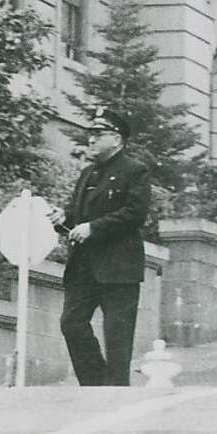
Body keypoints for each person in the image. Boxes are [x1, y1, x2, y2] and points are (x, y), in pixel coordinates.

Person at [60, 111, 152, 386]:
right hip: (84, 267)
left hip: (118, 267)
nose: (91, 139)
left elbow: (135, 213)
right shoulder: (88, 173)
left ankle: (116, 394)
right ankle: (96, 384)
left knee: (117, 340)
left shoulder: (134, 171)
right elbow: (75, 216)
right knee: (72, 324)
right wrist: (60, 219)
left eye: (98, 134)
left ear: (116, 139)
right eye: (90, 133)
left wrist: (94, 228)